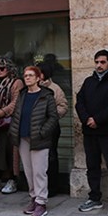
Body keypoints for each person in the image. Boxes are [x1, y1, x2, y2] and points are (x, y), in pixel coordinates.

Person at [75, 49, 108, 216]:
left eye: (102, 62)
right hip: (89, 132)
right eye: (97, 62)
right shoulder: (88, 81)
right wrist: (86, 119)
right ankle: (94, 197)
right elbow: (80, 101)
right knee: (92, 166)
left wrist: (97, 119)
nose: (99, 65)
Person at [10, 65, 59, 216]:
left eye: (31, 75)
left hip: (39, 139)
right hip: (23, 138)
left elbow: (53, 117)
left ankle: (41, 202)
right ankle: (33, 198)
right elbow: (17, 114)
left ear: (38, 78)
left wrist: (42, 132)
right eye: (25, 75)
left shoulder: (46, 95)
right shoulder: (22, 95)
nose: (28, 78)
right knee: (29, 172)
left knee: (39, 172)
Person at [0, 56, 24, 195]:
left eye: (2, 68)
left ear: (9, 69)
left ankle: (12, 180)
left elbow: (16, 101)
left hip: (10, 123)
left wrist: (3, 111)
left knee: (10, 151)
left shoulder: (16, 83)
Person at [38, 61, 69, 197]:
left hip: (51, 127)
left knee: (51, 157)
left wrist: (50, 114)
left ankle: (52, 187)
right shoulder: (33, 88)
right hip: (35, 128)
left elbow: (63, 106)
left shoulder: (55, 88)